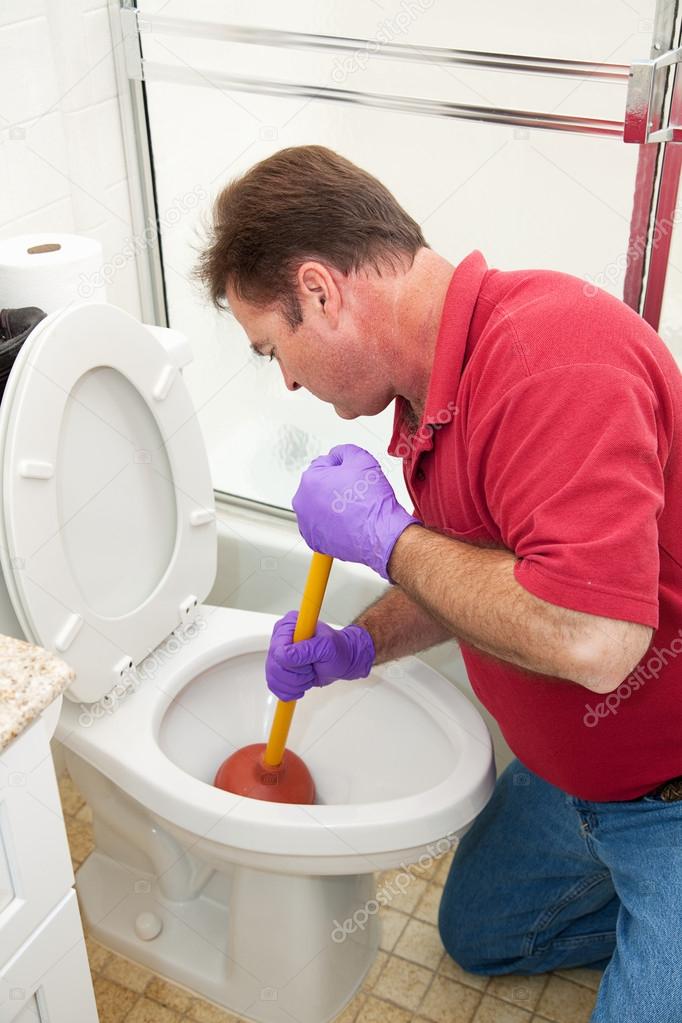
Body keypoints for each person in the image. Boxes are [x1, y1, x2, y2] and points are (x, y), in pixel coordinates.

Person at [195, 145, 682, 1022]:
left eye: (276, 349)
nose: (291, 379)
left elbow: (600, 643)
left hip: (672, 786)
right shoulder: (428, 398)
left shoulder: (557, 358)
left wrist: (389, 539)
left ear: (319, 290)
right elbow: (479, 573)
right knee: (482, 932)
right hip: (571, 782)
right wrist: (360, 644)